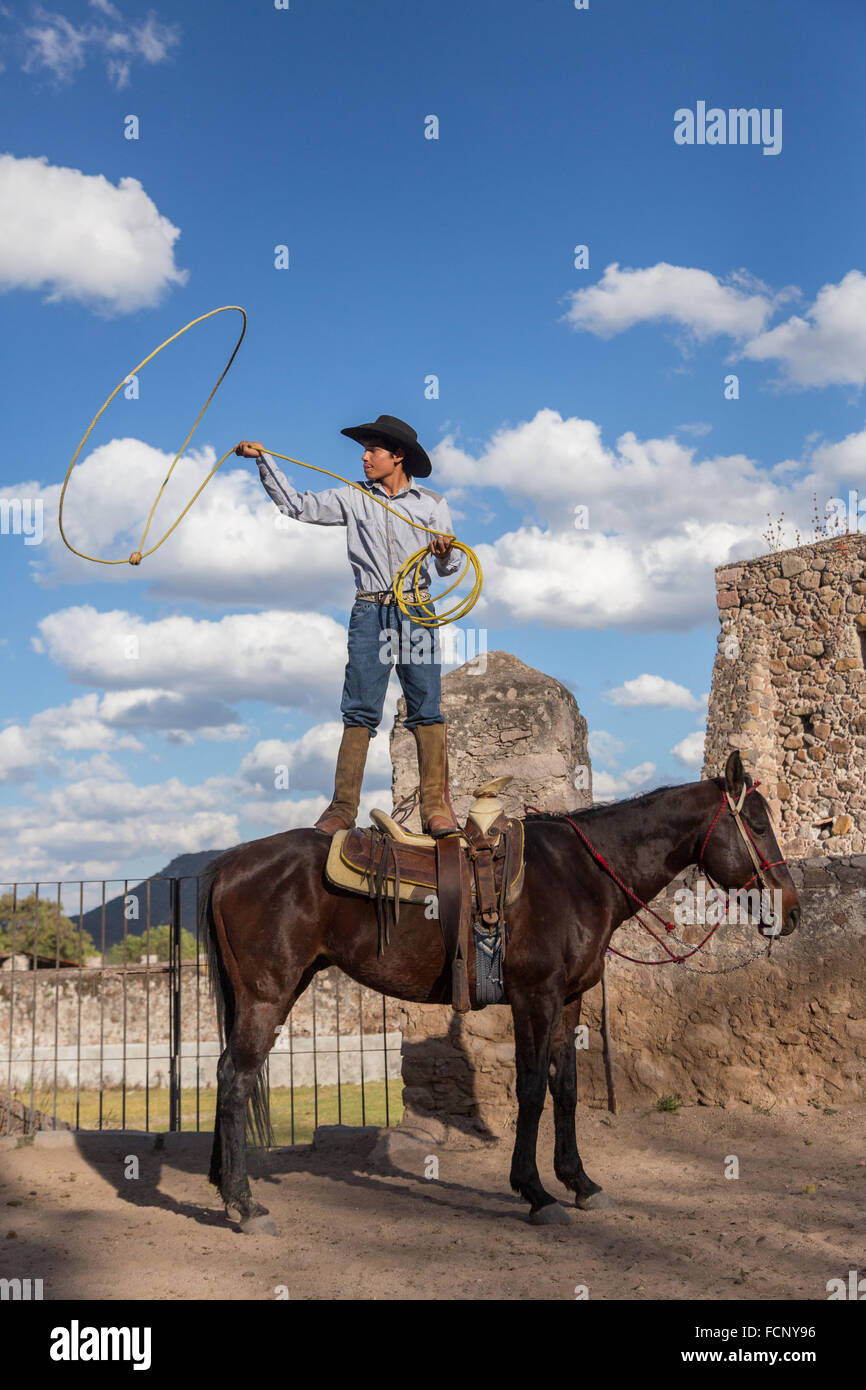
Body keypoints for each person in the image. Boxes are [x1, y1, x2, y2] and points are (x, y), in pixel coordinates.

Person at [235, 414, 461, 836]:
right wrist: (263, 462)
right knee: (359, 709)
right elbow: (297, 505)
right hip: (370, 610)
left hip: (417, 610)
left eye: (373, 450)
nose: (364, 458)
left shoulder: (431, 504)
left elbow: (453, 566)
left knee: (426, 707)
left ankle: (435, 808)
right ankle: (342, 809)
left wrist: (444, 552)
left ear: (398, 456)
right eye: (365, 450)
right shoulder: (354, 498)